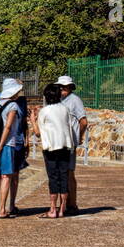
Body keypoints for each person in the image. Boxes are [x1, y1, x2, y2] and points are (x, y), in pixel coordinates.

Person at [0, 77, 25, 218]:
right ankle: (2, 210)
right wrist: (1, 147)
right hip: (6, 144)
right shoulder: (12, 106)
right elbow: (8, 127)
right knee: (6, 176)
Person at [37, 83, 74, 219]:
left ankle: (53, 209)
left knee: (53, 177)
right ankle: (62, 209)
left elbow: (38, 132)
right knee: (64, 176)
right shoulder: (65, 109)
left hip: (51, 147)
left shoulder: (44, 111)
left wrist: (32, 120)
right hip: (65, 145)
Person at [56, 75, 88, 215]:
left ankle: (72, 204)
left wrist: (79, 136)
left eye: (65, 87)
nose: (63, 89)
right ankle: (66, 204)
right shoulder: (59, 100)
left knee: (69, 173)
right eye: (61, 87)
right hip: (60, 141)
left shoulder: (74, 100)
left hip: (69, 142)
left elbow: (84, 121)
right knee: (63, 172)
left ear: (70, 88)